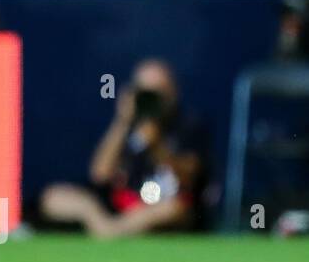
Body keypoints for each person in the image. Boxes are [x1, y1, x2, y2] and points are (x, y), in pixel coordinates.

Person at [40, 59, 208, 236]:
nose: (150, 99)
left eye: (157, 92)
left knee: (173, 208)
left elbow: (189, 177)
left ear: (172, 92)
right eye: (144, 92)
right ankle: (106, 227)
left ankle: (112, 231)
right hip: (121, 204)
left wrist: (157, 147)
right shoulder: (127, 124)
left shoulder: (188, 125)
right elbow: (100, 174)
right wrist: (122, 121)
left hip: (157, 206)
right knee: (54, 197)